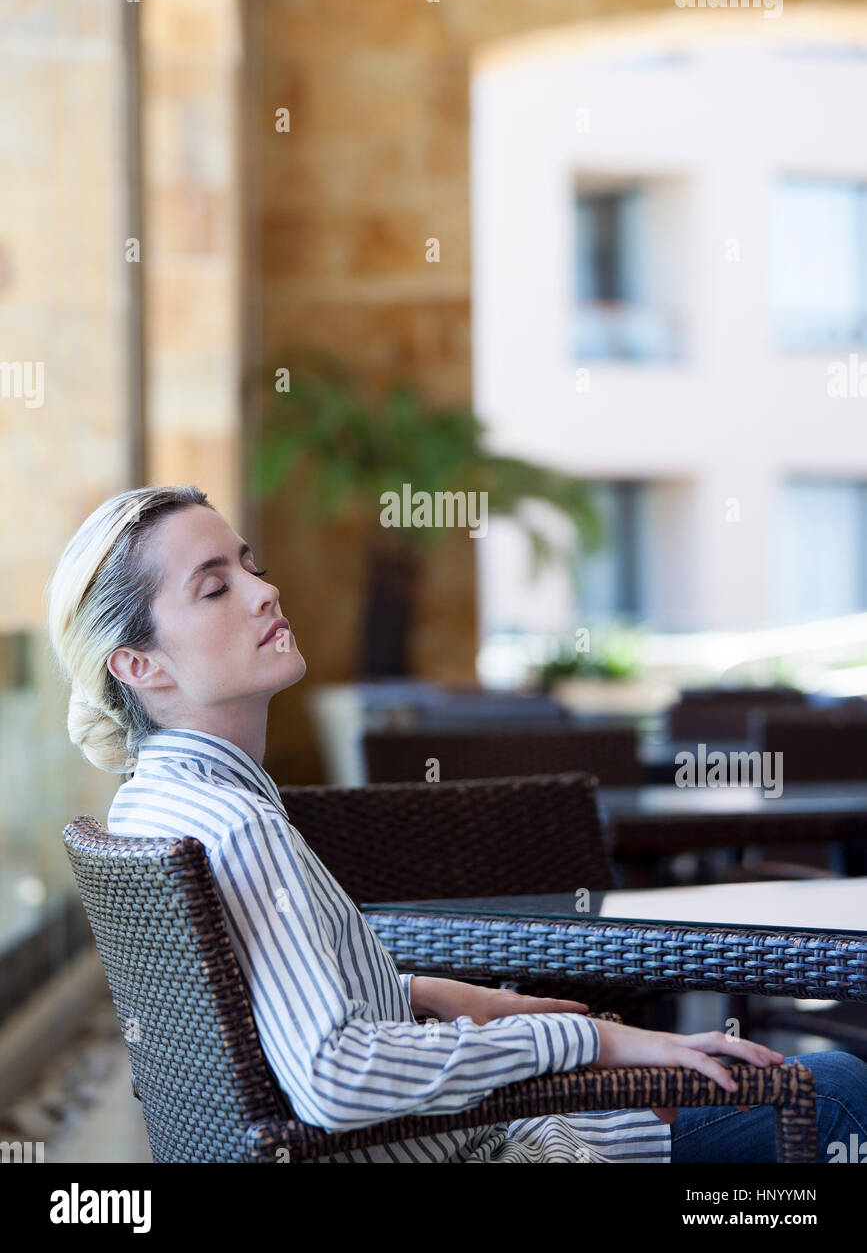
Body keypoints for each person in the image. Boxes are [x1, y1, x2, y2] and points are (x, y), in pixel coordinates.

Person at [47, 484, 867, 1163]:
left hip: (465, 1128)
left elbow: (284, 1017)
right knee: (834, 1091)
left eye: (249, 565)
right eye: (215, 586)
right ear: (139, 664)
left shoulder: (151, 803)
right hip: (481, 1150)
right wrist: (584, 1045)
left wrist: (446, 994)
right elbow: (336, 1073)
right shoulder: (235, 824)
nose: (265, 590)